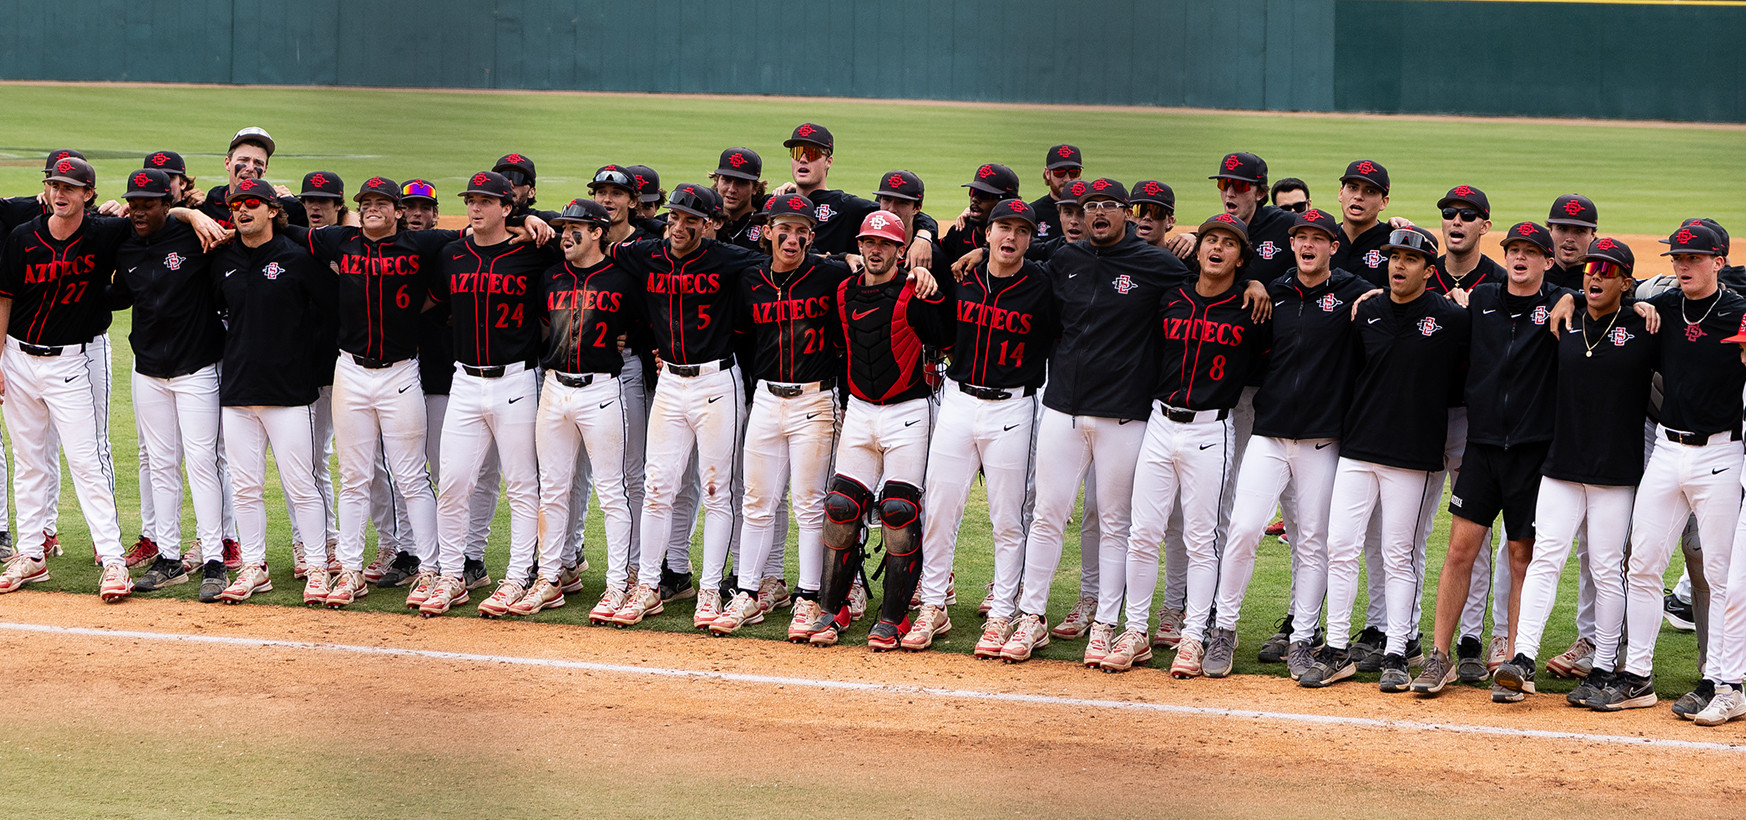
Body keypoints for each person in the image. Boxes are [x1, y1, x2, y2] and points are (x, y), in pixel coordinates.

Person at [0, 157, 216, 602]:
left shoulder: (104, 232)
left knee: (85, 462)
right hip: (17, 360)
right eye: (54, 185)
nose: (60, 194)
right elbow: (4, 298)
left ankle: (113, 560)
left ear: (88, 195)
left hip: (68, 365)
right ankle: (30, 554)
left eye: (70, 187)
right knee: (29, 461)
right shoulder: (23, 237)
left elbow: (148, 214)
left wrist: (189, 211)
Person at [1000, 179, 1190, 665]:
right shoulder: (1064, 259)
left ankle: (1107, 623)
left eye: (1108, 205)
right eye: (1089, 206)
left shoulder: (1158, 266)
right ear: (1079, 215)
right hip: (1062, 407)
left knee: (1114, 523)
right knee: (1047, 514)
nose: (1098, 213)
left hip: (1123, 416)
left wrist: (1252, 281)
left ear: (1126, 212)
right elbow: (1014, 259)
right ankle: (1031, 616)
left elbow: (1212, 288)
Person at [1299, 227, 1470, 690]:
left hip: (1413, 457)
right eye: (1393, 257)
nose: (1399, 265)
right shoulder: (1367, 311)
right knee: (1341, 547)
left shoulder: (1450, 319)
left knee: (1399, 555)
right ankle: (1336, 649)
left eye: (1410, 260)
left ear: (1428, 270)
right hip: (1358, 449)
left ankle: (1398, 650)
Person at [1105, 213, 1271, 676]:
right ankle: (1136, 631)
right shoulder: (1170, 299)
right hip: (1159, 423)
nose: (1217, 248)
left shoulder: (1252, 307)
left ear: (1241, 258)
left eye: (1229, 243)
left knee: (1201, 540)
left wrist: (1256, 285)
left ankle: (1194, 636)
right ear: (1197, 250)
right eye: (1210, 240)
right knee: (1143, 533)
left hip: (1209, 431)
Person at [1411, 222, 1570, 701]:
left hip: (1531, 451)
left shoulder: (1561, 301)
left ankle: (1517, 665)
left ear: (1546, 260)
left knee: (1521, 557)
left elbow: (1613, 297)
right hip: (1482, 448)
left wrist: (1574, 300)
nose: (1520, 258)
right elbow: (1423, 308)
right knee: (1461, 550)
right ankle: (1440, 657)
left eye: (1530, 252)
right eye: (1513, 250)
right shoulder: (1482, 300)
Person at [1211, 207, 1370, 680]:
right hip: (1269, 433)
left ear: (1332, 247)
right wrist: (1253, 285)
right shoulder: (1274, 291)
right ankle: (1224, 628)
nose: (1307, 244)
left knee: (1313, 542)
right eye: (1301, 237)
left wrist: (1377, 293)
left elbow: (1392, 299)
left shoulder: (1351, 292)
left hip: (1322, 441)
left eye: (1317, 238)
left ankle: (1303, 638)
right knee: (1242, 529)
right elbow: (1235, 292)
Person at [1497, 237, 1653, 706]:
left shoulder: (1645, 325)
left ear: (1626, 281)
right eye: (1590, 269)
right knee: (1546, 557)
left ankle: (1605, 665)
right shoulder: (1564, 318)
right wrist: (1564, 296)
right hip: (1562, 463)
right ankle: (1521, 659)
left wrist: (1644, 302)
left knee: (1606, 568)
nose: (1596, 277)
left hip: (1614, 471)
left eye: (1608, 271)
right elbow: (1536, 293)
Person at [608, 184, 765, 628]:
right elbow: (597, 242)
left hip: (718, 382)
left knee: (717, 491)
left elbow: (781, 264)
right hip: (670, 383)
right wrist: (530, 224)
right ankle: (649, 585)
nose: (679, 226)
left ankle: (711, 591)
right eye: (674, 217)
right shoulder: (646, 254)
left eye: (691, 220)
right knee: (658, 488)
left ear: (710, 224)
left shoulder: (729, 259)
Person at [1604, 223, 1745, 714]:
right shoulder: (1660, 306)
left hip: (1721, 456)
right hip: (1666, 451)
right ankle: (1637, 675)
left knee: (1723, 575)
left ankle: (1721, 681)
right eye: (1677, 258)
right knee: (1642, 565)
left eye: (1694, 258)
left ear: (1718, 261)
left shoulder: (1738, 312)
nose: (1682, 265)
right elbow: (1603, 306)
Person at [800, 210, 954, 649]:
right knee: (840, 505)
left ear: (900, 251)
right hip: (860, 412)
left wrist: (935, 291)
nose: (875, 250)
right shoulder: (844, 290)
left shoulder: (915, 292)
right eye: (869, 242)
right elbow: (836, 343)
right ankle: (833, 608)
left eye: (885, 244)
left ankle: (894, 616)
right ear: (860, 245)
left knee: (899, 512)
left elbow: (946, 337)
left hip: (909, 412)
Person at [908, 199, 1056, 652]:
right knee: (939, 506)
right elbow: (936, 332)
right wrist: (926, 294)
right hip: (957, 398)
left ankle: (1003, 612)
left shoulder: (1042, 285)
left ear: (1031, 240)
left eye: (1021, 231)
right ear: (987, 233)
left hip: (1014, 408)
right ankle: (932, 604)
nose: (1010, 238)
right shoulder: (962, 278)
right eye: (1003, 229)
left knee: (1007, 517)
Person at [298, 176, 452, 608]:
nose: (372, 208)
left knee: (411, 477)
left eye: (382, 202)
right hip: (349, 370)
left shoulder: (422, 245)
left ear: (399, 211)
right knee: (354, 477)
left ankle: (428, 569)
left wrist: (531, 223)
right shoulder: (340, 241)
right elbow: (288, 229)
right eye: (366, 202)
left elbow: (476, 235)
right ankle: (349, 571)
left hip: (400, 374)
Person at [712, 195, 853, 637]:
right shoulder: (750, 278)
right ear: (768, 231)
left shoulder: (829, 275)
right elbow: (738, 335)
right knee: (757, 502)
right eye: (784, 229)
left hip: (815, 401)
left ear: (812, 236)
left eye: (801, 231)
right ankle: (748, 594)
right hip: (767, 400)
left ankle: (810, 598)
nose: (792, 238)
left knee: (809, 504)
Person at [419, 171, 557, 617]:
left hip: (516, 381)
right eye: (471, 200)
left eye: (484, 201)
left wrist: (535, 223)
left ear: (506, 207)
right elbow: (434, 304)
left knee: (521, 485)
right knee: (454, 482)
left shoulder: (533, 254)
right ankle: (452, 575)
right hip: (464, 381)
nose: (475, 208)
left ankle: (518, 577)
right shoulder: (452, 254)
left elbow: (575, 244)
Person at [206, 178, 336, 604]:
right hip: (239, 391)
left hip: (289, 393)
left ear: (272, 211)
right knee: (245, 487)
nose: (243, 210)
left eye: (253, 203)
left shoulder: (297, 258)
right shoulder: (222, 259)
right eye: (237, 204)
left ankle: (317, 567)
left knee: (301, 484)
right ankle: (253, 567)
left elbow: (333, 310)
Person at [109, 169, 232, 600]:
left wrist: (189, 215)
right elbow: (119, 293)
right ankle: (169, 557)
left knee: (201, 463)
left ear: (167, 203)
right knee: (161, 464)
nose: (139, 210)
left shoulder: (191, 238)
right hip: (148, 371)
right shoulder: (123, 241)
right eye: (134, 202)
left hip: (196, 369)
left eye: (149, 202)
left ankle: (215, 559)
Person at [520, 199, 645, 618]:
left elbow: (641, 324)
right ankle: (550, 578)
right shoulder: (551, 276)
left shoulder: (624, 279)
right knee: (552, 490)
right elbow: (542, 323)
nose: (565, 234)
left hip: (602, 392)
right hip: (554, 390)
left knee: (613, 492)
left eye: (576, 227)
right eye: (563, 226)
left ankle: (616, 584)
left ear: (597, 232)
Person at [1328, 160, 1394, 287]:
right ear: (1341, 193)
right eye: (1353, 188)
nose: (1358, 196)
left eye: (1370, 191)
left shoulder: (1393, 244)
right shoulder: (1325, 239)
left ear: (1383, 202)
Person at [711, 147, 769, 250]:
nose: (732, 189)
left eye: (741, 182)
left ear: (755, 188)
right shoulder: (705, 219)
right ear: (717, 182)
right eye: (726, 180)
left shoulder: (765, 221)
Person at [1028, 144, 1081, 241]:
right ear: (1047, 173)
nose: (1067, 179)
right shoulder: (1032, 213)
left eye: (1074, 172)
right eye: (1059, 172)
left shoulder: (1090, 210)